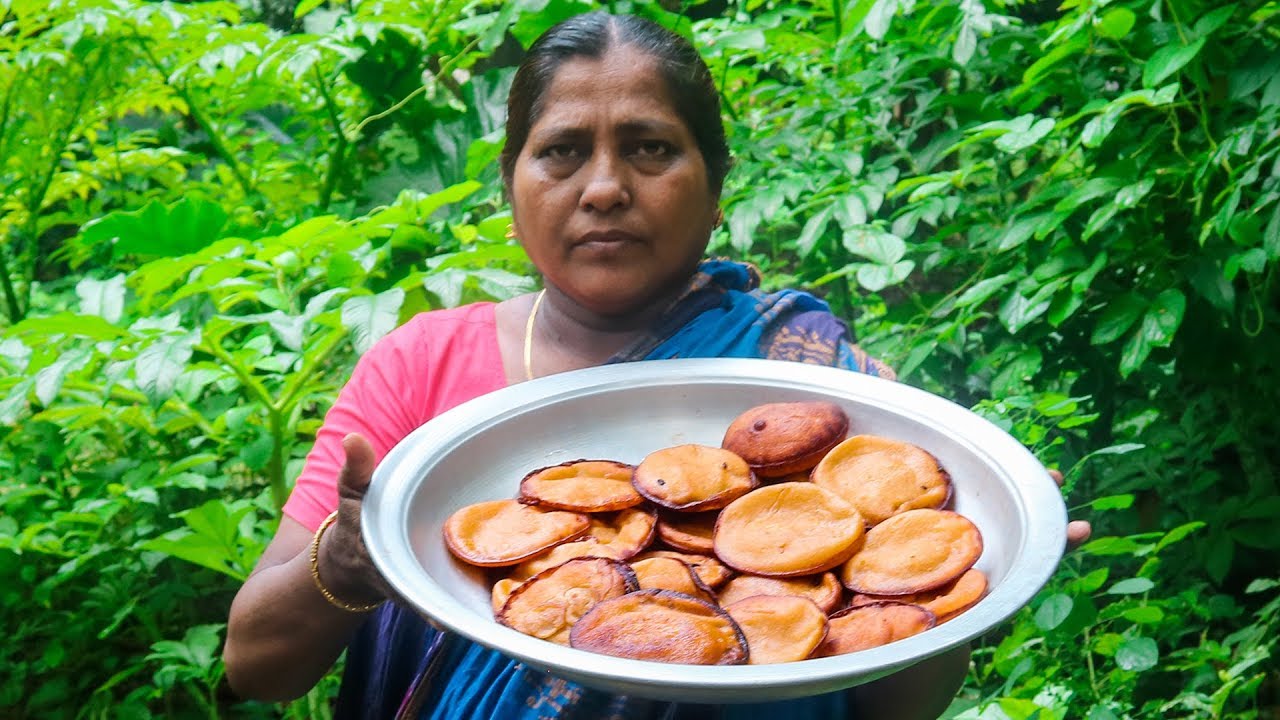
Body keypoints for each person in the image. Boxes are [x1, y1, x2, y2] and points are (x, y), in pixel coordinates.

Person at [223, 12, 1089, 719]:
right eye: (561, 150)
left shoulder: (831, 395)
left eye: (649, 148)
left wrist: (957, 598)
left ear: (715, 190)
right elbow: (256, 667)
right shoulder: (419, 368)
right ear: (511, 184)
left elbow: (884, 708)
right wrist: (342, 565)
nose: (604, 187)